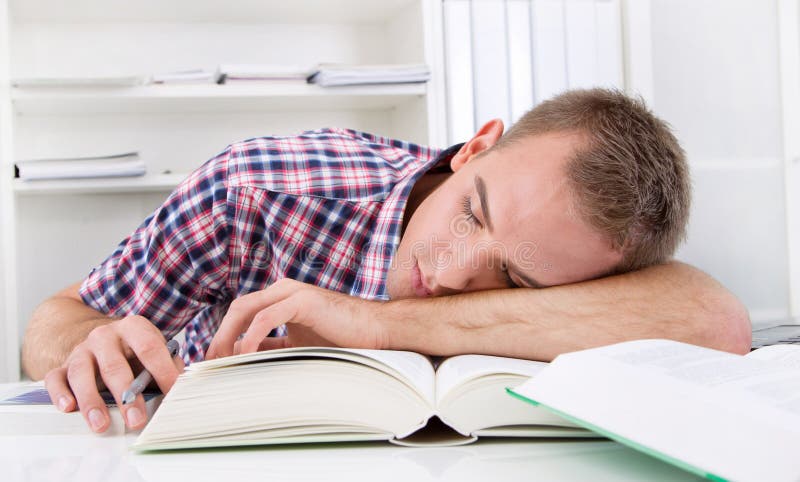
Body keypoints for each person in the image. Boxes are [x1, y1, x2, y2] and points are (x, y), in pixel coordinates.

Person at [22, 88, 750, 435]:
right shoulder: (264, 186)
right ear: (474, 146)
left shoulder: (591, 275)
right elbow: (56, 319)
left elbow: (715, 319)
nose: (461, 270)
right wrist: (87, 346)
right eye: (473, 210)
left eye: (516, 278)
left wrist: (375, 324)